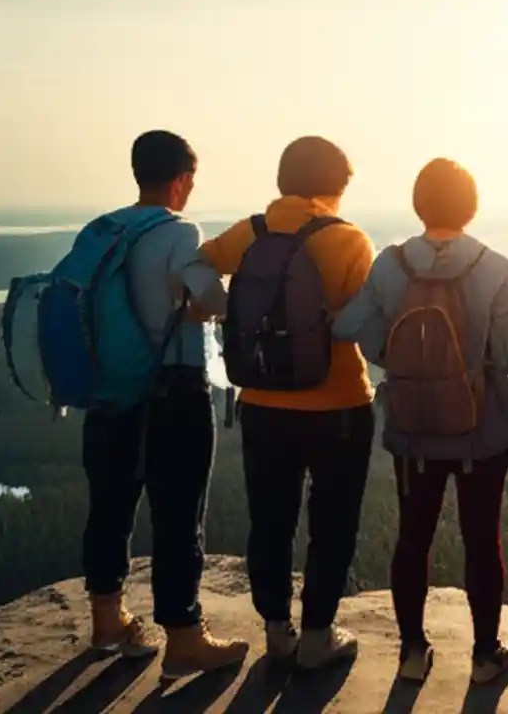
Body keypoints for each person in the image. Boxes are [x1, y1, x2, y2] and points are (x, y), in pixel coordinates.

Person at [334, 158, 508, 685]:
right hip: (480, 430)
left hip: (411, 429)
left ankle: (413, 654)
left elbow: (352, 327)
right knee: (482, 539)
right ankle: (486, 655)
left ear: (419, 204)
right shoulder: (493, 266)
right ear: (472, 206)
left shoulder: (390, 264)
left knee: (412, 536)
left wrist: (397, 358)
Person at [201, 136, 375, 669]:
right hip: (340, 402)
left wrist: (225, 311)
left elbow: (195, 268)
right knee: (333, 520)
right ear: (336, 187)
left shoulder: (251, 232)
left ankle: (277, 632)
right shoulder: (347, 239)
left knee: (270, 520)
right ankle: (319, 635)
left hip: (262, 400)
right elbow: (366, 324)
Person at [81, 131, 248, 678]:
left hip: (108, 392)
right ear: (179, 180)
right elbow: (215, 301)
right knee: (178, 517)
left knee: (109, 506)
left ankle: (108, 622)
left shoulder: (101, 230)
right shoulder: (179, 233)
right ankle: (183, 638)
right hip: (173, 394)